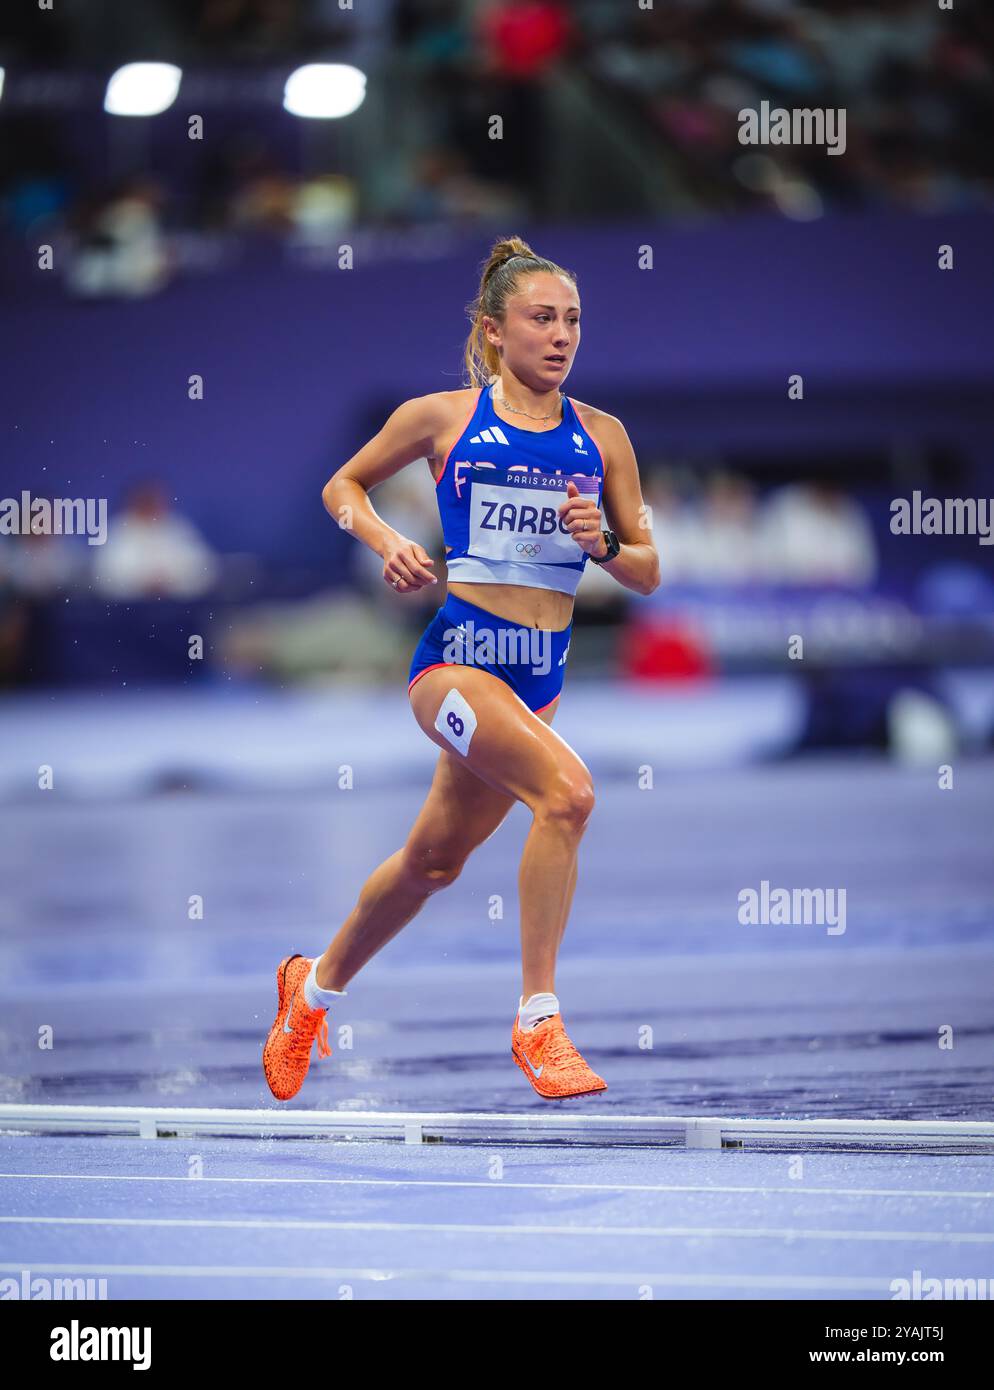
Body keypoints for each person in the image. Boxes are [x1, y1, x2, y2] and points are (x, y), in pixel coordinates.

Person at [263, 237, 660, 1101]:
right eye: (541, 318)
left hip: (538, 681)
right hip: (457, 663)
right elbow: (343, 485)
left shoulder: (606, 437)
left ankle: (312, 990)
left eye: (574, 320)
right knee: (570, 796)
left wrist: (606, 544)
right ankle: (538, 1023)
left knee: (433, 863)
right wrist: (388, 540)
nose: (561, 336)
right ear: (493, 332)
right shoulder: (441, 417)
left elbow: (649, 570)